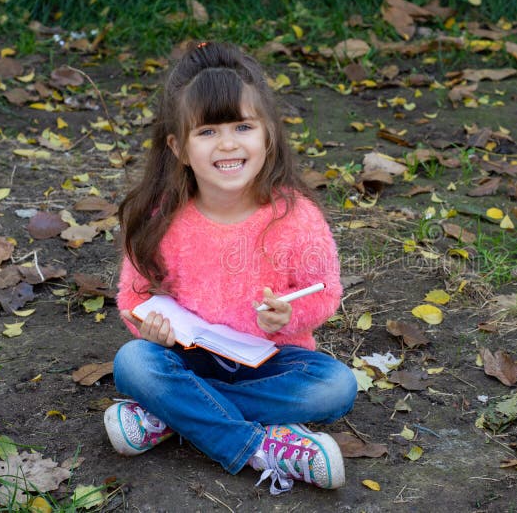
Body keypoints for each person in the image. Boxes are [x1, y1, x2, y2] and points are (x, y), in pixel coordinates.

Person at [105, 41, 357, 495]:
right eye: (207, 132)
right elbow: (134, 296)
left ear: (268, 136)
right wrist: (151, 328)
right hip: (186, 358)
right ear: (178, 147)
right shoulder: (161, 217)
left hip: (271, 361)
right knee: (133, 363)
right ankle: (262, 447)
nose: (227, 144)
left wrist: (289, 316)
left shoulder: (295, 216)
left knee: (336, 386)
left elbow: (324, 291)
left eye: (242, 126)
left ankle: (170, 415)